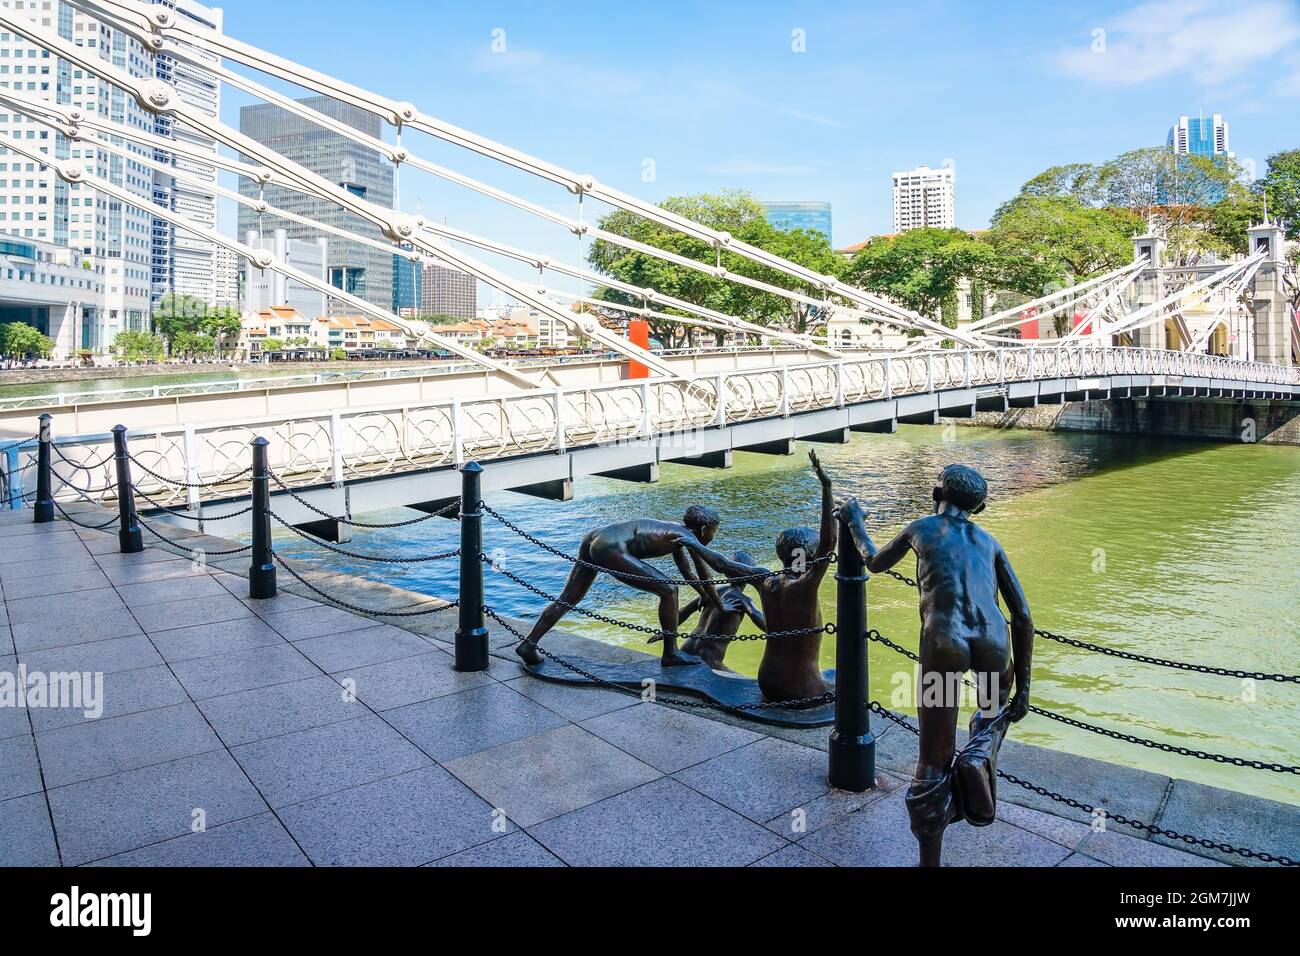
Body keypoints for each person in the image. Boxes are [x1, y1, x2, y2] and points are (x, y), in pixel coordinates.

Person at [839, 464, 1033, 867]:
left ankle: (931, 858)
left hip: (945, 646)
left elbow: (873, 562)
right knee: (994, 710)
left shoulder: (921, 529)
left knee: (932, 762)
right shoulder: (989, 542)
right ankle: (980, 749)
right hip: (994, 644)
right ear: (978, 507)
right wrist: (1025, 691)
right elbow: (1023, 617)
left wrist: (855, 521)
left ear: (935, 492)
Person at [673, 450, 835, 702]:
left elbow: (723, 564)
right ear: (812, 557)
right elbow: (829, 540)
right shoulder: (806, 584)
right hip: (800, 688)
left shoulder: (764, 579)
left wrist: (694, 544)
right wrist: (827, 486)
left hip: (767, 682)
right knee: (839, 675)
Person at [514, 505, 725, 668]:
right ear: (704, 529)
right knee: (669, 590)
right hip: (611, 546)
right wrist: (719, 605)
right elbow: (703, 573)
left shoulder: (676, 532)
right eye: (713, 532)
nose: (712, 537)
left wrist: (703, 595)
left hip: (595, 538)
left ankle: (528, 644)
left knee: (568, 598)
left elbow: (688, 573)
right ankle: (670, 654)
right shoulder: (688, 537)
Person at [676, 551, 767, 670]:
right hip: (709, 658)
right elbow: (766, 626)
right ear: (751, 576)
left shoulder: (713, 590)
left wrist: (667, 631)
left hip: (686, 649)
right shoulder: (744, 601)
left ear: (726, 572)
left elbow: (683, 612)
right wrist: (763, 591)